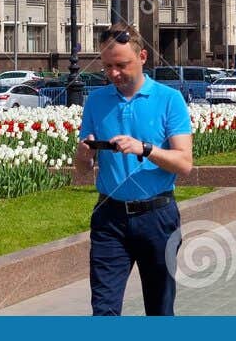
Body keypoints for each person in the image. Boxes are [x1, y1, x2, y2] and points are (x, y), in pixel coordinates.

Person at [76, 27, 195, 316]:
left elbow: (185, 163)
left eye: (121, 65)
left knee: (159, 308)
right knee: (104, 308)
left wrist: (146, 149)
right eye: (107, 66)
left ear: (142, 57)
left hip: (157, 217)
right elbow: (82, 171)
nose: (114, 73)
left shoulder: (169, 99)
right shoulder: (96, 101)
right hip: (109, 216)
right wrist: (83, 156)